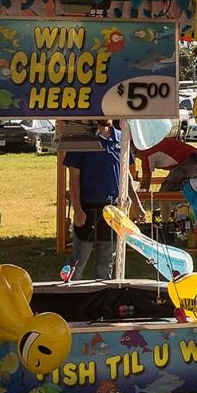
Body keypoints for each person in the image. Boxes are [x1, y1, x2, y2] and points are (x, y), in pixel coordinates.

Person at [64, 120, 142, 280]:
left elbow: (125, 173)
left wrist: (137, 203)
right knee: (78, 260)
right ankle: (69, 296)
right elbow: (73, 178)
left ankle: (102, 299)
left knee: (106, 260)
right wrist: (78, 209)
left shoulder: (122, 137)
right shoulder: (82, 139)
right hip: (88, 208)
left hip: (113, 209)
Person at [133, 133, 197, 220]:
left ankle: (165, 223)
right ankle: (188, 219)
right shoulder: (152, 144)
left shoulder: (146, 156)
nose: (135, 158)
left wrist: (137, 203)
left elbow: (145, 186)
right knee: (188, 191)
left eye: (134, 155)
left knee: (164, 192)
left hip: (190, 161)